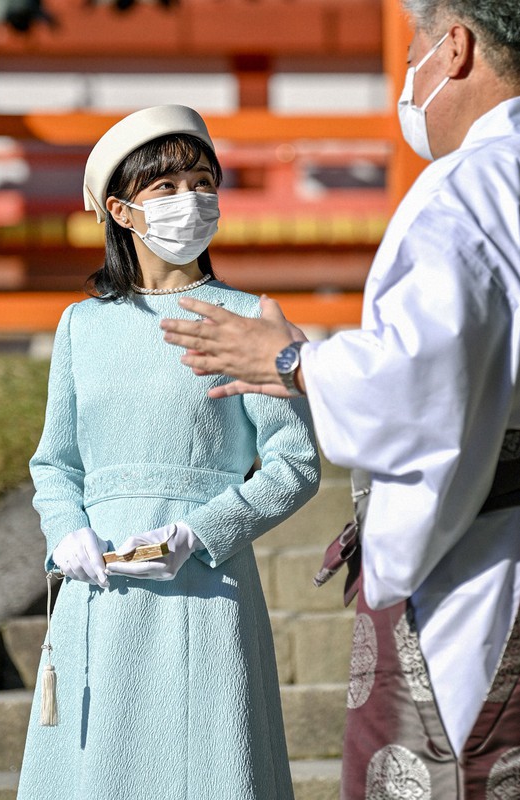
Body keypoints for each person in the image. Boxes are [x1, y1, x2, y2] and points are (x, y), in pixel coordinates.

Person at [160, 3, 520, 796]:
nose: (409, 73)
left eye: (414, 48)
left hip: (486, 572)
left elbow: (421, 382)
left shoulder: (471, 188)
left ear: (454, 48)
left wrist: (292, 362)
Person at [17, 104, 320, 800]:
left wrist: (199, 533)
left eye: (203, 182)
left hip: (205, 586)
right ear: (121, 211)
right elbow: (55, 463)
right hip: (100, 589)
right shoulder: (81, 326)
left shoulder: (246, 317)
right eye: (168, 186)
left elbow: (294, 464)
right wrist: (66, 533)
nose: (193, 199)